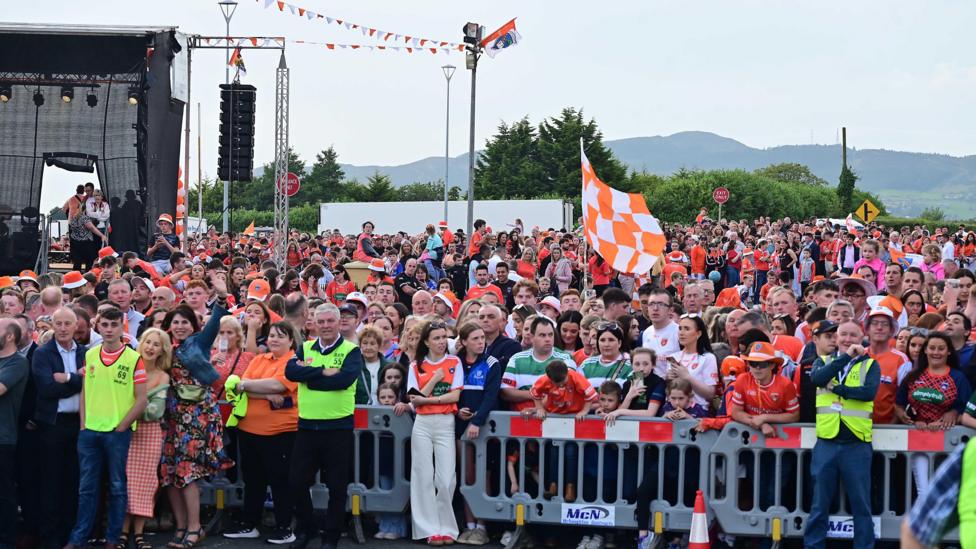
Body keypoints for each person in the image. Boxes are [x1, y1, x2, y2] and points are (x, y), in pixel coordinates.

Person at [64, 308, 148, 549]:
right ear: (97, 327)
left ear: (122, 327)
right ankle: (78, 539)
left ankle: (112, 539)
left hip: (116, 433)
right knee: (86, 489)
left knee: (117, 488)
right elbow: (85, 391)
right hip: (89, 432)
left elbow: (142, 399)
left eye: (114, 325)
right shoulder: (90, 355)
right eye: (105, 325)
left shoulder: (134, 358)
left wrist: (121, 426)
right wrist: (83, 424)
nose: (109, 330)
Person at [285, 304, 364, 549]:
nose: (326, 325)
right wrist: (322, 371)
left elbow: (343, 380)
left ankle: (331, 536)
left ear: (339, 322)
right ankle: (307, 529)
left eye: (331, 321)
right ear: (314, 324)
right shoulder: (306, 347)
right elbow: (290, 372)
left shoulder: (352, 350)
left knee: (337, 487)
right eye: (322, 322)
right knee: (296, 482)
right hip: (307, 427)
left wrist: (309, 376)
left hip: (337, 428)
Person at [160, 295, 233, 549]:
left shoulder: (198, 344)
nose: (180, 326)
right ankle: (181, 527)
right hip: (171, 417)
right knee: (170, 474)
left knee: (188, 473)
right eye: (176, 322)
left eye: (185, 322)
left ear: (193, 326)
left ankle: (195, 527)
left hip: (197, 417)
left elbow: (215, 321)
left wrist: (222, 296)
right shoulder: (166, 348)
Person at [804, 320, 880, 549]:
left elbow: (867, 393)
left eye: (853, 335)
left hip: (856, 444)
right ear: (836, 338)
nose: (847, 339)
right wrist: (846, 357)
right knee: (819, 504)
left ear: (862, 337)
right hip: (827, 442)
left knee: (861, 505)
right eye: (843, 335)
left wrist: (836, 389)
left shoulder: (870, 365)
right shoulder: (823, 361)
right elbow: (817, 379)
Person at [223, 322, 300, 545]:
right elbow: (238, 385)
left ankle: (285, 527)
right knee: (253, 480)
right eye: (272, 336)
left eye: (280, 336)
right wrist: (260, 391)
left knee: (280, 481)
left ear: (291, 341)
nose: (274, 339)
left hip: (280, 432)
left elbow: (277, 386)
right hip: (248, 430)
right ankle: (250, 523)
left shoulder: (294, 362)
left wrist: (250, 387)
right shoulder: (258, 359)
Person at [31, 308, 85, 549]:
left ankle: (71, 536)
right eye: (59, 323)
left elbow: (92, 383)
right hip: (52, 425)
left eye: (67, 323)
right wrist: (76, 379)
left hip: (80, 425)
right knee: (51, 482)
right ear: (53, 325)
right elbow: (47, 389)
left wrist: (64, 377)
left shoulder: (86, 353)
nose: (63, 328)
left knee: (74, 481)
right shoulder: (43, 353)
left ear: (76, 326)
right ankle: (50, 539)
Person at [897, 332, 970, 498]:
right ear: (925, 351)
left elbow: (966, 408)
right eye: (932, 348)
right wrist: (907, 418)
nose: (936, 352)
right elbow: (898, 404)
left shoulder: (958, 378)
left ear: (948, 352)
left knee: (947, 491)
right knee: (924, 490)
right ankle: (924, 524)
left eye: (941, 348)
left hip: (949, 441)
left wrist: (953, 413)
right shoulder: (913, 376)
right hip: (920, 439)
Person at [121, 328, 172, 549]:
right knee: (125, 481)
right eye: (148, 342)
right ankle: (122, 531)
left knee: (146, 483)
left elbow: (155, 411)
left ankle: (139, 533)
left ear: (162, 350)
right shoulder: (128, 367)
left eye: (156, 344)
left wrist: (128, 409)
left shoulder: (163, 376)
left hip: (149, 433)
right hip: (125, 432)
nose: (151, 347)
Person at [454, 321, 500, 546]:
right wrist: (457, 410)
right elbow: (451, 392)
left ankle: (482, 526)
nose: (481, 342)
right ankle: (469, 525)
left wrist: (477, 420)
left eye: (482, 338)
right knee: (466, 476)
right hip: (460, 426)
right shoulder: (456, 363)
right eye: (475, 338)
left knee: (484, 477)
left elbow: (491, 396)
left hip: (483, 428)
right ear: (463, 342)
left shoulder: (491, 363)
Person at [529, 359, 597, 502]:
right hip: (555, 419)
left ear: (567, 373)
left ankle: (570, 488)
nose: (561, 385)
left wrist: (585, 410)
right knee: (554, 453)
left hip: (573, 420)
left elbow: (590, 395)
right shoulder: (544, 380)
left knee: (571, 453)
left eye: (563, 381)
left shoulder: (575, 377)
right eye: (557, 383)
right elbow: (535, 393)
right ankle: (553, 485)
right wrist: (540, 408)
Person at [0, 319, 28, 549]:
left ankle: (7, 541)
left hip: (3, 438)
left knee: (4, 494)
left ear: (9, 336)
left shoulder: (18, 363)